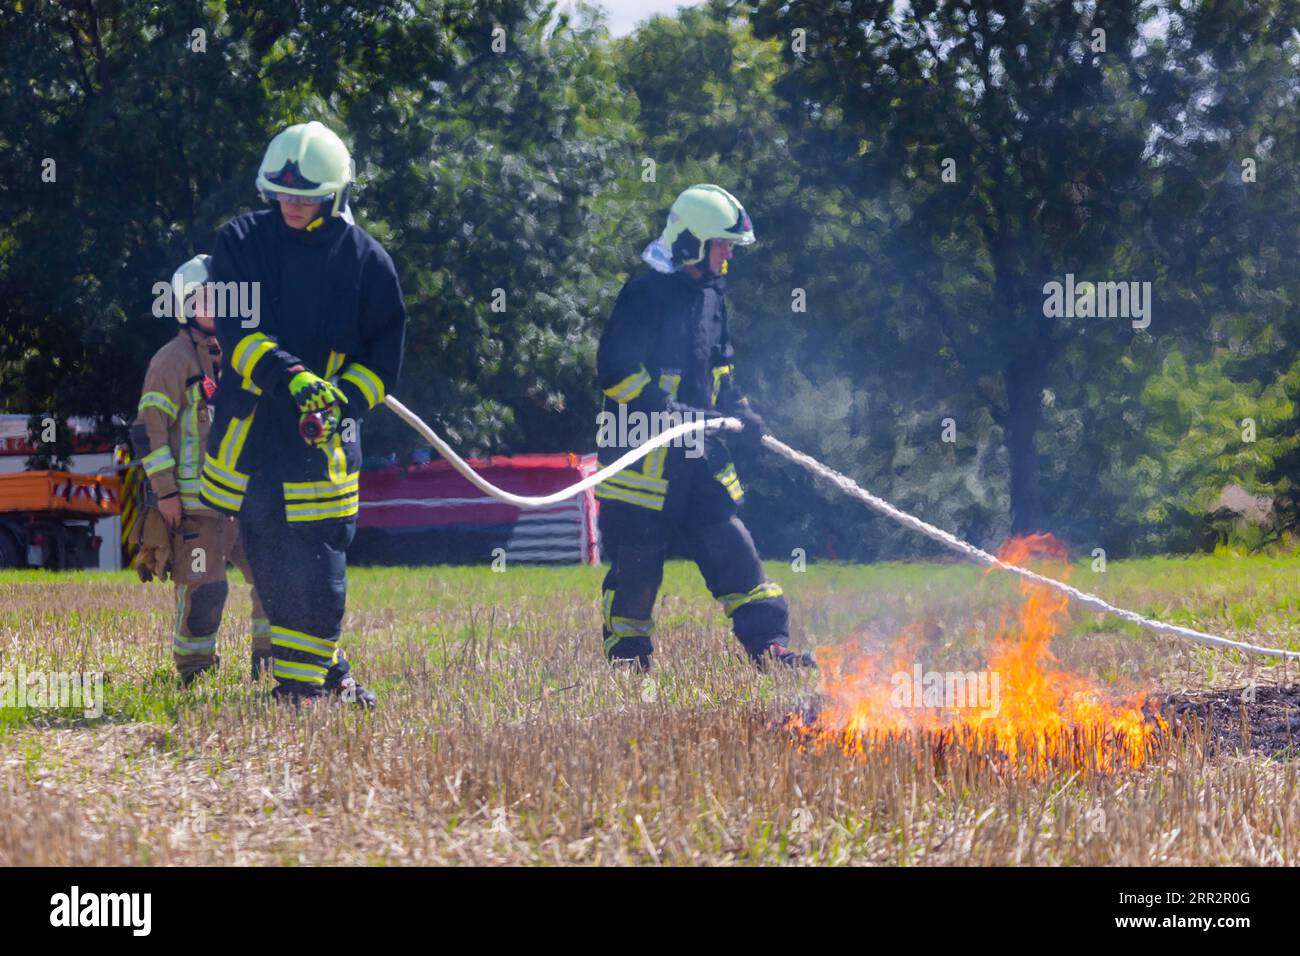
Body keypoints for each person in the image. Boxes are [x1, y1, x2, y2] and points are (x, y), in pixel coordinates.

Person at [199, 121, 407, 707]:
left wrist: (342, 398)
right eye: (283, 192)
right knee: (267, 553)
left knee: (317, 556)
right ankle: (328, 675)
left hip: (323, 440)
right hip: (254, 434)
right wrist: (293, 377)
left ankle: (300, 687)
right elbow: (240, 335)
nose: (292, 204)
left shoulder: (368, 263)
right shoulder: (240, 241)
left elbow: (382, 363)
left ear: (336, 193)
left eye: (307, 194)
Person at [594, 184, 814, 672]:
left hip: (700, 456)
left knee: (732, 549)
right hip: (642, 462)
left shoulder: (713, 294)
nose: (728, 255)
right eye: (722, 245)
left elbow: (720, 369)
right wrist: (663, 407)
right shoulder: (645, 292)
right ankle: (628, 660)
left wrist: (742, 410)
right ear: (692, 242)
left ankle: (771, 648)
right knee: (638, 567)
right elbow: (614, 370)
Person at [131, 254, 271, 684]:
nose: (215, 306)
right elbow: (147, 432)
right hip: (195, 508)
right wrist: (166, 494)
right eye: (205, 298)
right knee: (205, 590)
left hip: (248, 505)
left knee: (275, 582)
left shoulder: (247, 354)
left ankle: (271, 668)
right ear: (185, 306)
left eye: (222, 297)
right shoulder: (171, 362)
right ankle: (195, 673)